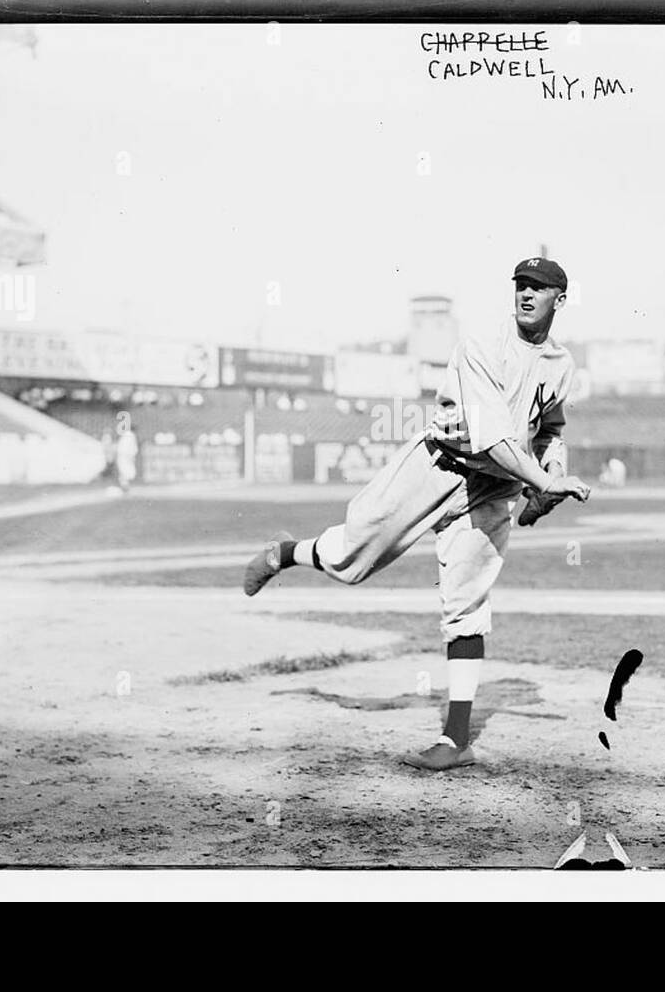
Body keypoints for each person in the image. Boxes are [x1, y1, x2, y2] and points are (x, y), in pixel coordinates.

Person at [242, 257, 591, 771]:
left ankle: (456, 740)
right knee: (351, 559)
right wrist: (544, 482)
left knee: (468, 605)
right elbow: (494, 438)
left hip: (492, 490)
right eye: (520, 284)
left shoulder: (561, 364)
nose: (526, 293)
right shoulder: (482, 348)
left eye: (538, 288)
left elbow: (551, 428)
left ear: (560, 300)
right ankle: (286, 552)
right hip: (439, 465)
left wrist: (552, 465)